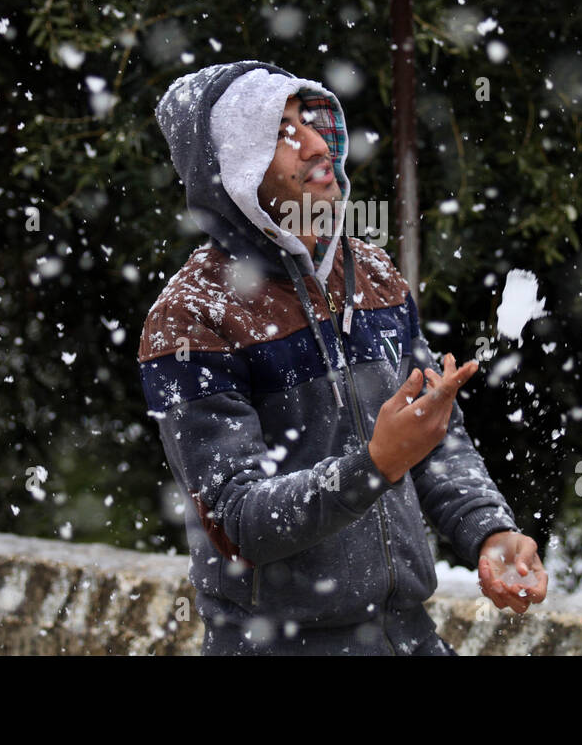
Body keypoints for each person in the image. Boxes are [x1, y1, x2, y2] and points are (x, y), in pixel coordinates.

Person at [138, 59, 547, 655]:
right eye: (279, 133)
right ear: (233, 169)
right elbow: (237, 522)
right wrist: (375, 464)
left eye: (309, 120)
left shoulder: (373, 274)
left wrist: (489, 529)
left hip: (406, 636)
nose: (314, 144)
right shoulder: (192, 318)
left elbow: (435, 438)